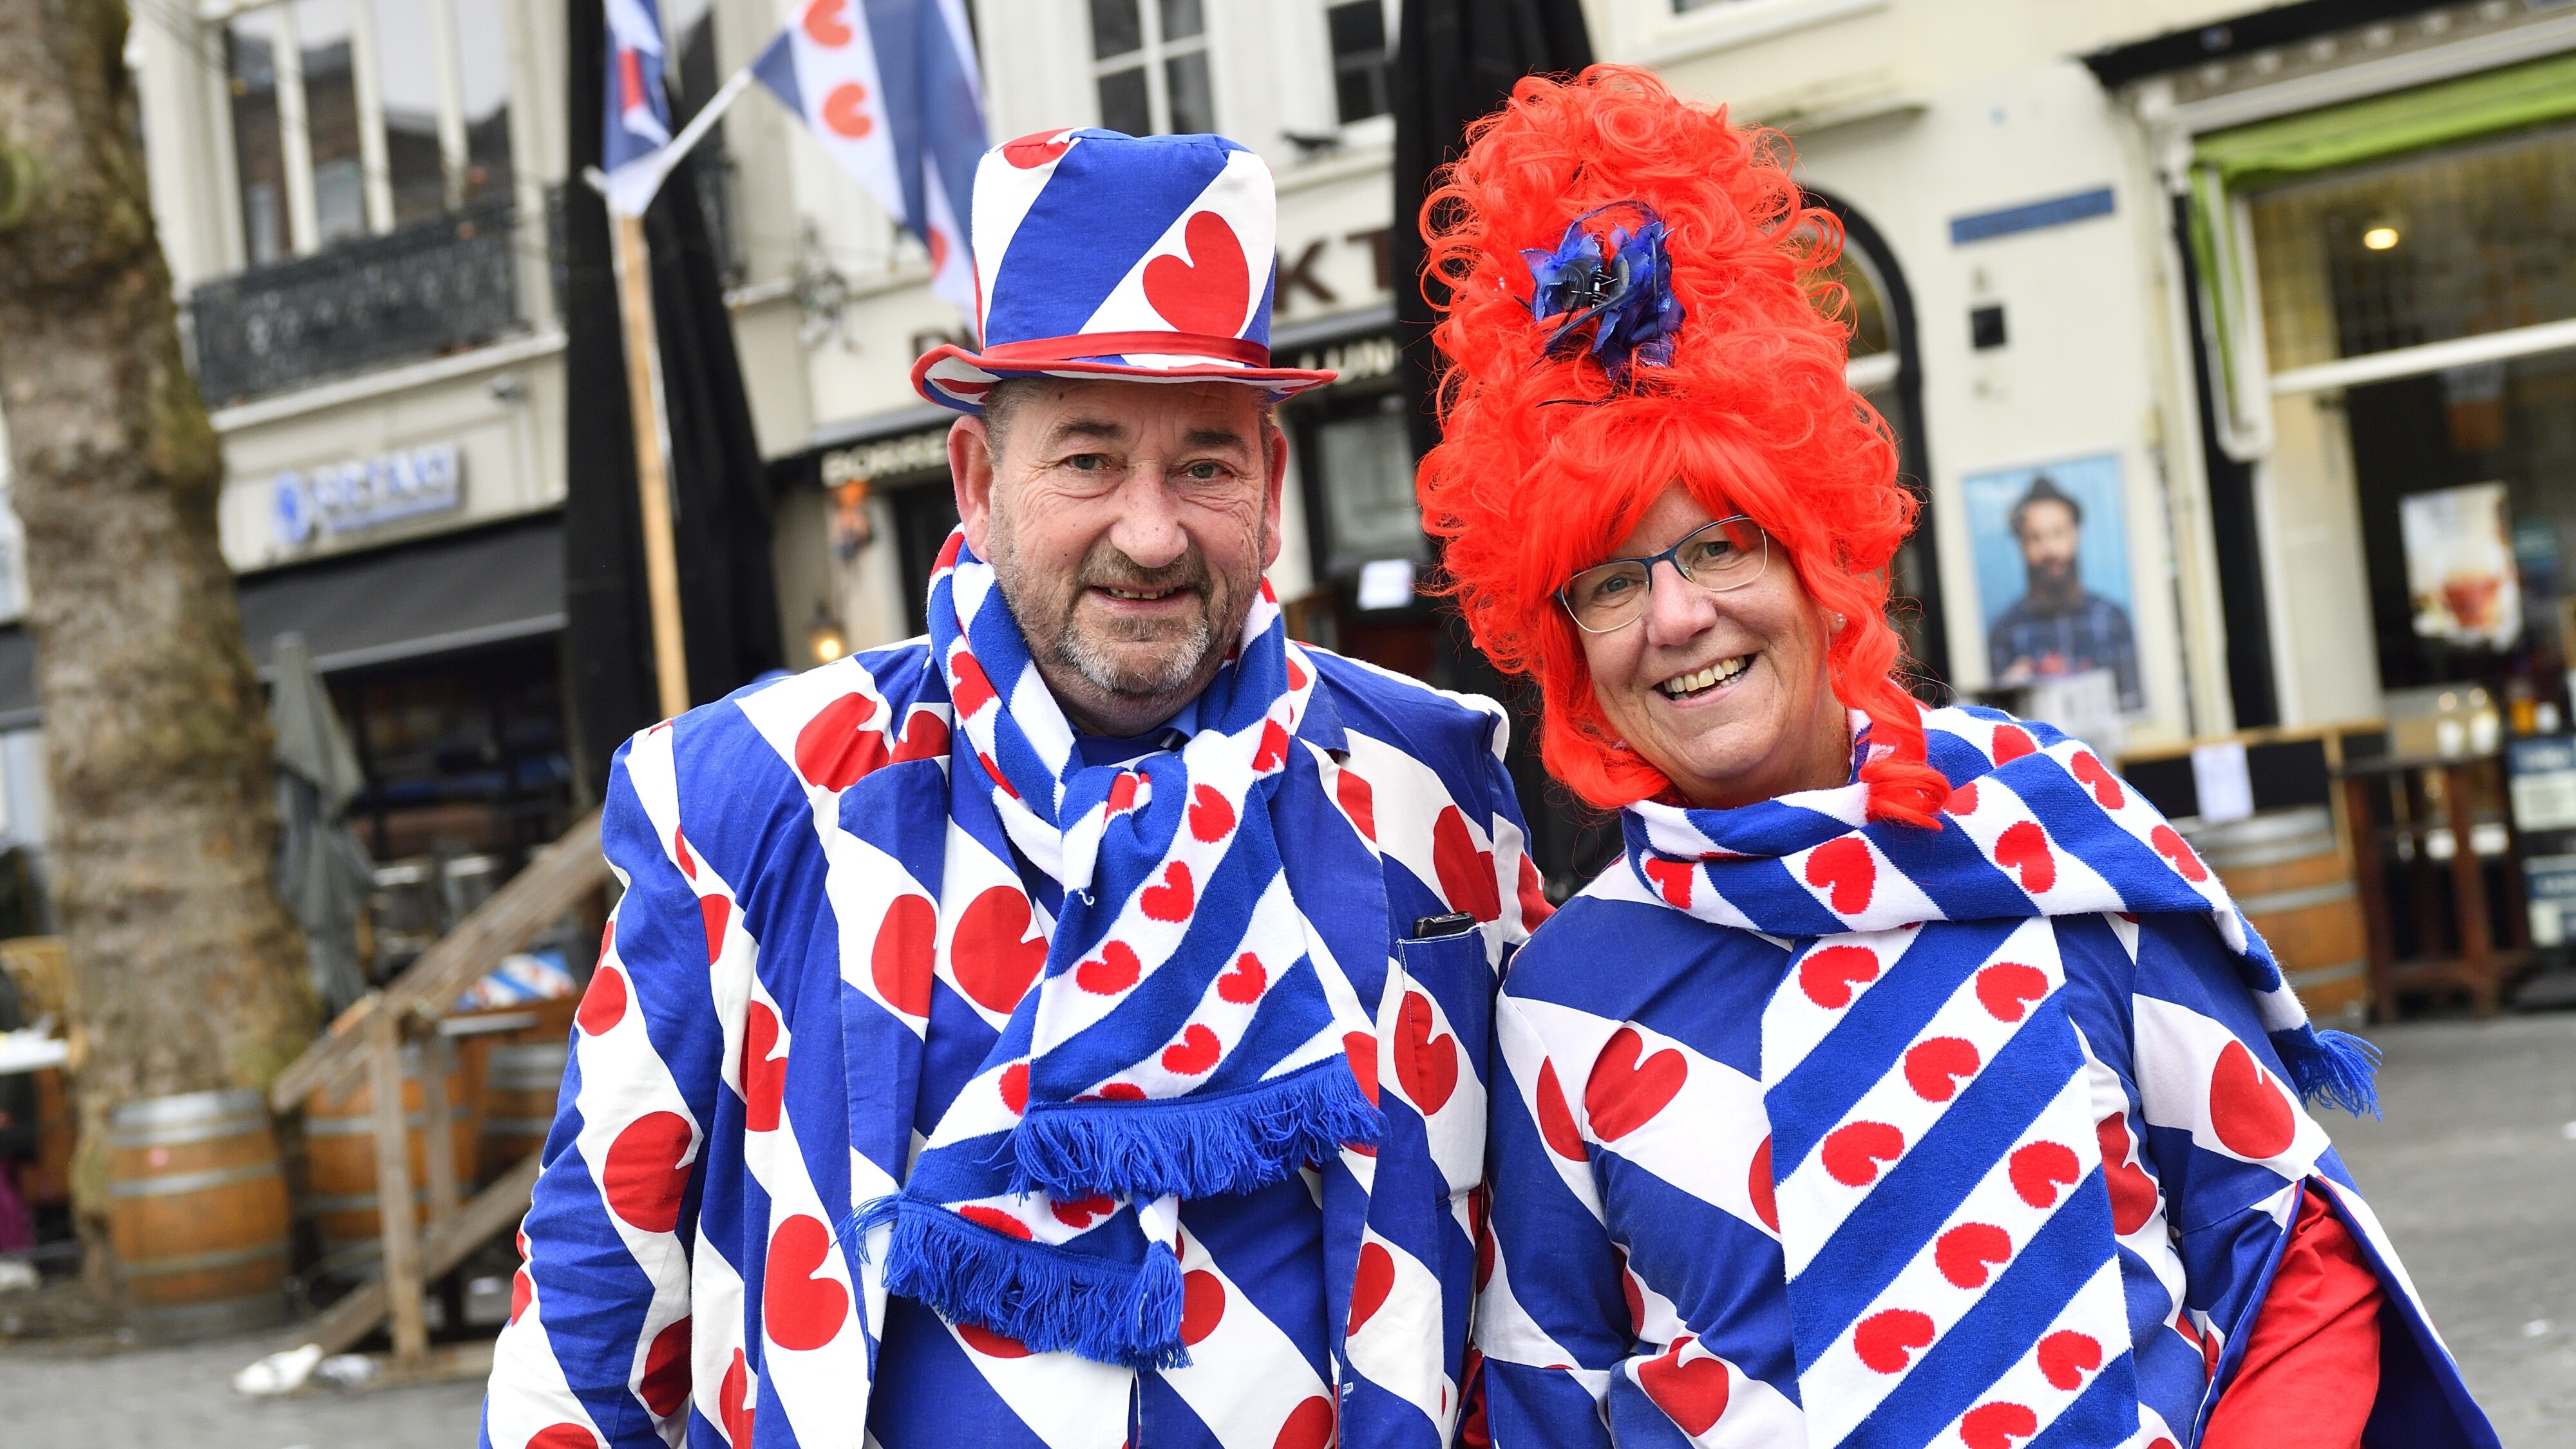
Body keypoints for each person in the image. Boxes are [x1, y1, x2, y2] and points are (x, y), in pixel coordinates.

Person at [1413, 68, 2497, 1448]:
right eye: (1610, 582)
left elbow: (2283, 1248)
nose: (1674, 617)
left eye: (1717, 544)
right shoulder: (1563, 994)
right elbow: (1545, 1387)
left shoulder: (2052, 852)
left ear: (1814, 560)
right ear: (1565, 642)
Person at [483, 130, 1543, 1449]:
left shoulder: (1430, 782)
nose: (1149, 535)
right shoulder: (746, 794)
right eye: (1088, 459)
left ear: (1271, 493)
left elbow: (1532, 1266)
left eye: (1205, 465)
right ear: (979, 486)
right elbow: (592, 1312)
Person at [1987, 475, 2141, 710]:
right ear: (2022, 545)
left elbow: (2134, 706)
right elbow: (2000, 725)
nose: (2049, 549)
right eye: (2035, 537)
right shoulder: (2006, 631)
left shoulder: (2112, 620)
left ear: (2076, 534)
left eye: (2058, 533)